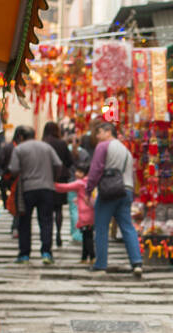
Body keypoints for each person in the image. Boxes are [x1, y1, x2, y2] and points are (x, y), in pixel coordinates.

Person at [85, 118, 142, 277]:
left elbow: (96, 169)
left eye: (100, 132)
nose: (97, 136)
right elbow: (132, 174)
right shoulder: (126, 151)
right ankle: (136, 262)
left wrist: (89, 190)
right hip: (127, 190)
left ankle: (101, 264)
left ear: (108, 131)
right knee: (127, 226)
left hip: (110, 191)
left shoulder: (103, 146)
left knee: (102, 226)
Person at [6, 125, 62, 263]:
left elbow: (13, 169)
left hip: (27, 189)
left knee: (25, 222)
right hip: (47, 188)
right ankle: (46, 253)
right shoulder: (46, 147)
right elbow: (58, 164)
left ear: (21, 137)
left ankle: (24, 254)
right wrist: (52, 179)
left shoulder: (19, 149)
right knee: (46, 221)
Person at [42, 121, 73, 250]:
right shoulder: (62, 143)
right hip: (61, 179)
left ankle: (48, 237)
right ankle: (59, 234)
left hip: (46, 178)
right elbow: (70, 161)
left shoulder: (43, 142)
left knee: (47, 210)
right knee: (58, 208)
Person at [55, 167, 95, 264]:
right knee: (87, 235)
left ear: (84, 173)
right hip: (91, 212)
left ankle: (93, 257)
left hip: (84, 213)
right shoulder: (90, 182)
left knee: (87, 237)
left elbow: (65, 187)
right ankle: (84, 258)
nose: (76, 173)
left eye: (79, 172)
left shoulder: (80, 183)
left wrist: (52, 184)